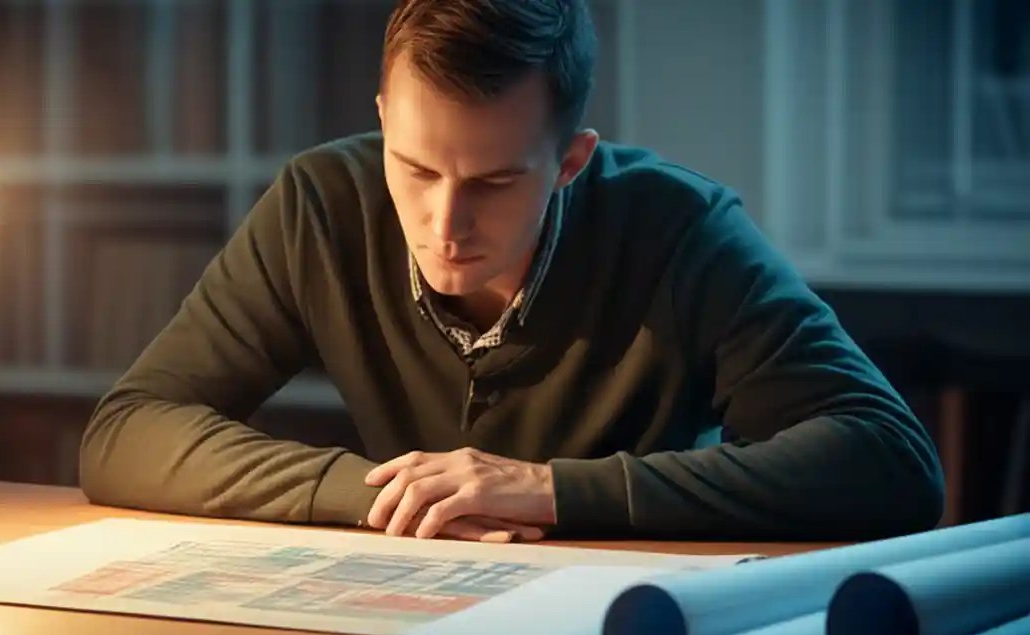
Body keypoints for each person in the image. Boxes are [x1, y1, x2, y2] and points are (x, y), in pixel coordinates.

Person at [78, 0, 944, 542]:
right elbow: (128, 432)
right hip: (418, 600)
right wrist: (396, 498)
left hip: (635, 628)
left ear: (570, 160)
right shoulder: (322, 202)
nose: (444, 225)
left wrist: (548, 492)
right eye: (414, 169)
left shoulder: (681, 228)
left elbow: (891, 462)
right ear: (383, 119)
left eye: (494, 183)